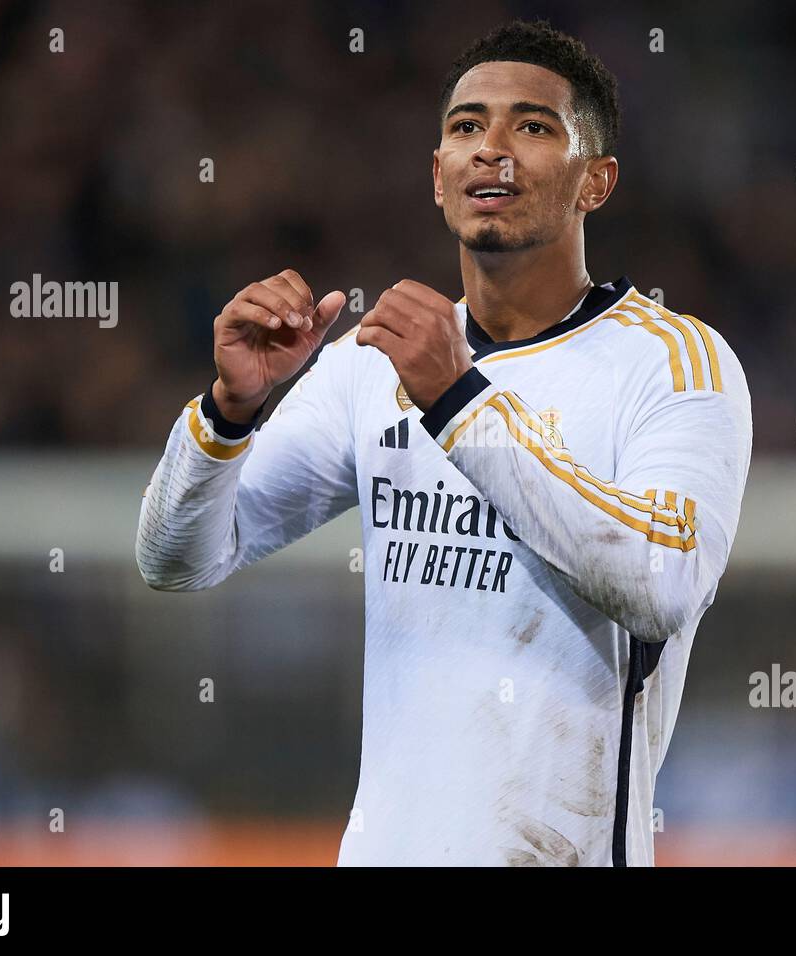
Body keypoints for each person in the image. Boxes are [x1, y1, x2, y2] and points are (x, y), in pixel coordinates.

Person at [136, 18, 751, 866]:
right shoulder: (372, 362)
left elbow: (662, 582)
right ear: (437, 175)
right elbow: (177, 559)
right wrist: (227, 414)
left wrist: (460, 403)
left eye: (533, 127)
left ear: (595, 183)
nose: (491, 149)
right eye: (467, 127)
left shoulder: (675, 362)